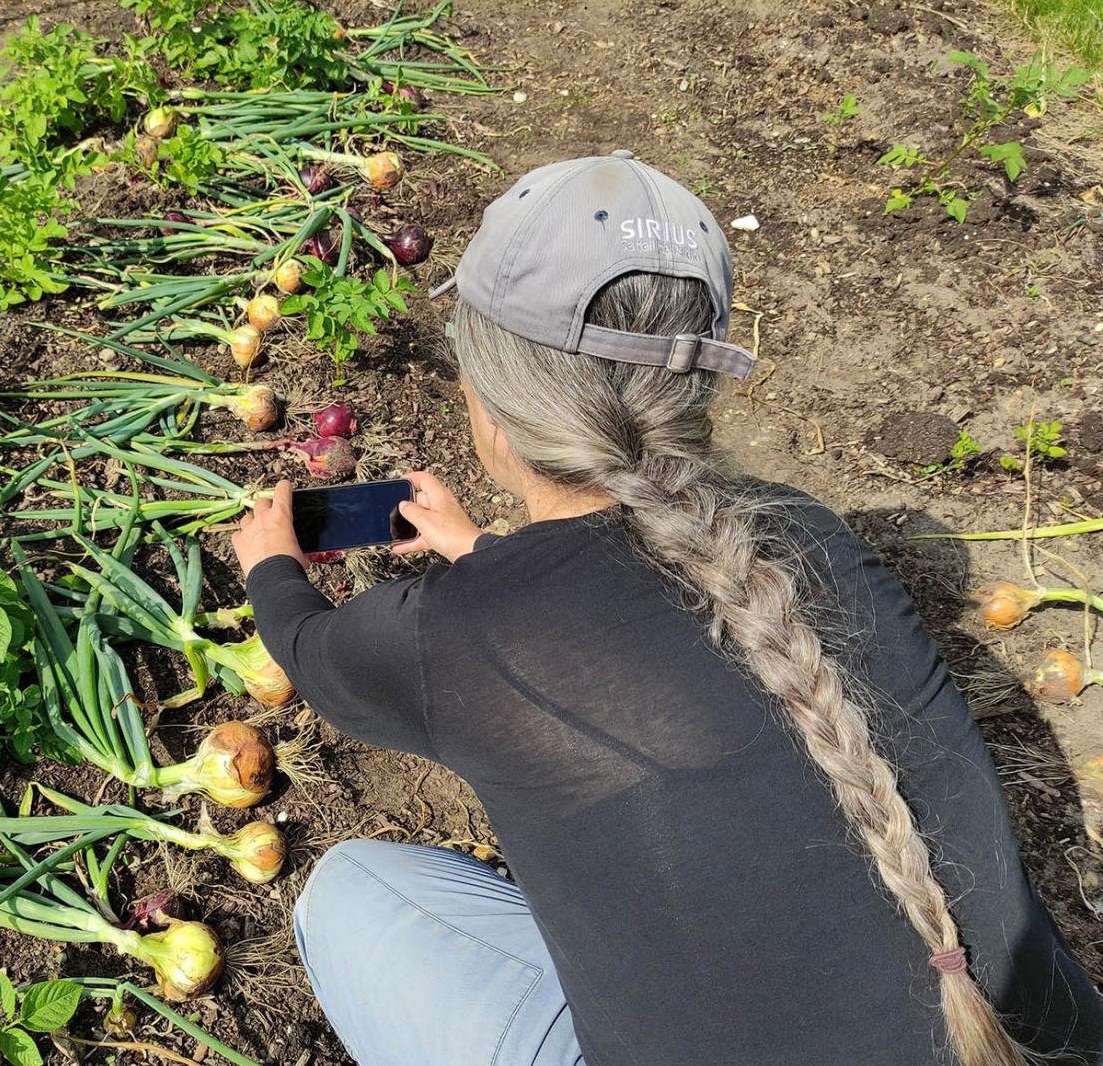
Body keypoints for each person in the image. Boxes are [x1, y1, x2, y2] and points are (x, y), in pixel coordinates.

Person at [230, 153, 1103, 1066]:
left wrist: (272, 568)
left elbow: (310, 652)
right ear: (696, 386)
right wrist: (485, 558)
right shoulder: (805, 535)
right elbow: (650, 627)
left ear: (485, 402)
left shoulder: (459, 637)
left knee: (355, 890)